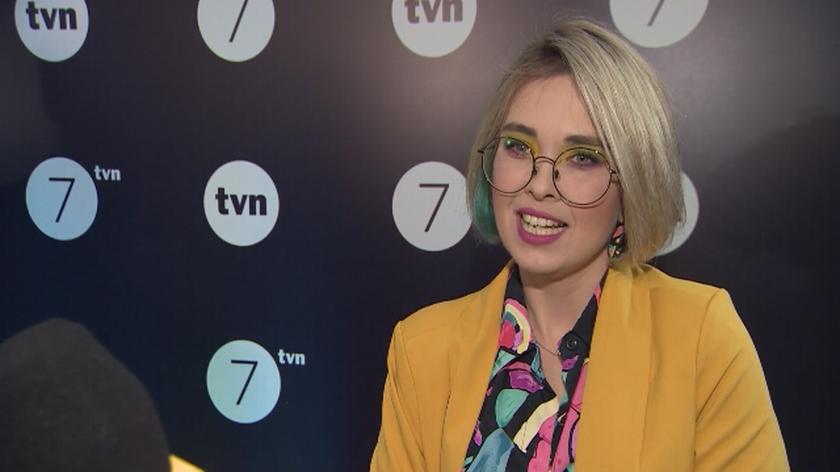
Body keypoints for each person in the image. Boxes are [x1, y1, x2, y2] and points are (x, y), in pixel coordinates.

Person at [370, 18, 788, 472]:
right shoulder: (422, 349)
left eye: (582, 158)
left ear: (632, 184)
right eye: (518, 146)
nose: (539, 184)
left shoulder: (701, 338)